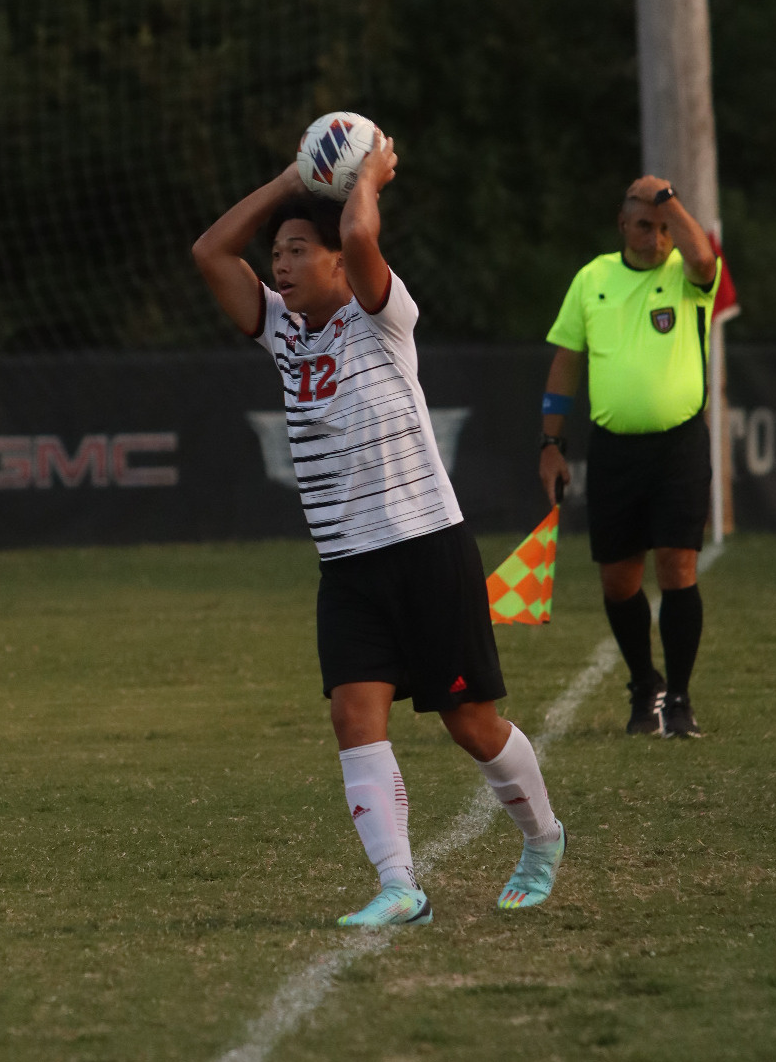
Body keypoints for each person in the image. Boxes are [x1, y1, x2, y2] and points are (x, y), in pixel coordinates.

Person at [192, 131, 565, 926]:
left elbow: (361, 234)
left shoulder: (381, 318)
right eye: (277, 254)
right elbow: (210, 252)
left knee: (472, 725)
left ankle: (542, 838)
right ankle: (399, 887)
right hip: (347, 567)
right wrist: (289, 181)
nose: (280, 264)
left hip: (428, 548)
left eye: (298, 250)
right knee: (353, 717)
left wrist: (365, 177)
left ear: (337, 264)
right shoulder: (283, 333)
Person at [537, 176, 721, 738]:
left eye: (665, 228)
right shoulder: (592, 279)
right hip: (614, 449)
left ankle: (680, 699)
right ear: (622, 225)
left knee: (677, 567)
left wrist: (668, 200)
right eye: (644, 225)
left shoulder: (688, 275)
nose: (656, 238)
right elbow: (566, 362)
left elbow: (704, 258)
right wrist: (551, 443)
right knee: (618, 580)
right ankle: (645, 685)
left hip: (678, 445)